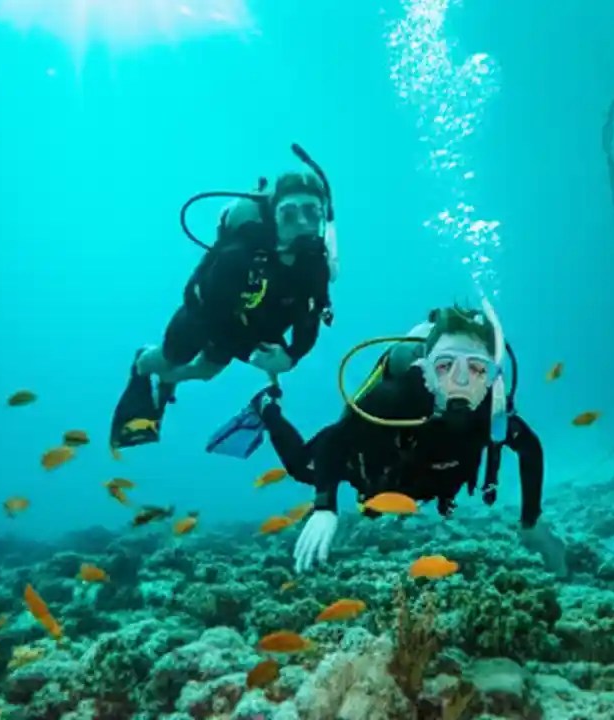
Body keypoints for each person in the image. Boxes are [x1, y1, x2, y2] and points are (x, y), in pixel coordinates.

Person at [246, 301, 555, 573]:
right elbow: (333, 440)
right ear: (426, 368)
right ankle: (267, 407)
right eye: (445, 365)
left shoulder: (494, 413)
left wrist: (531, 522)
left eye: (476, 368)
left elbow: (530, 449)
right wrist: (325, 506)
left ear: (492, 375)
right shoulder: (395, 396)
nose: (460, 381)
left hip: (426, 476)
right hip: (382, 466)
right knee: (302, 468)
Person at [110, 144, 340, 452]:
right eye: (289, 213)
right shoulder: (240, 253)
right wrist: (255, 353)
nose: (301, 223)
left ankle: (167, 383)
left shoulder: (316, 264)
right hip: (203, 317)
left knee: (204, 372)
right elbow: (212, 312)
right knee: (169, 357)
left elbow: (315, 312)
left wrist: (293, 355)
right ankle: (141, 364)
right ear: (274, 217)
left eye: (311, 213)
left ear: (323, 219)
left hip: (251, 329)